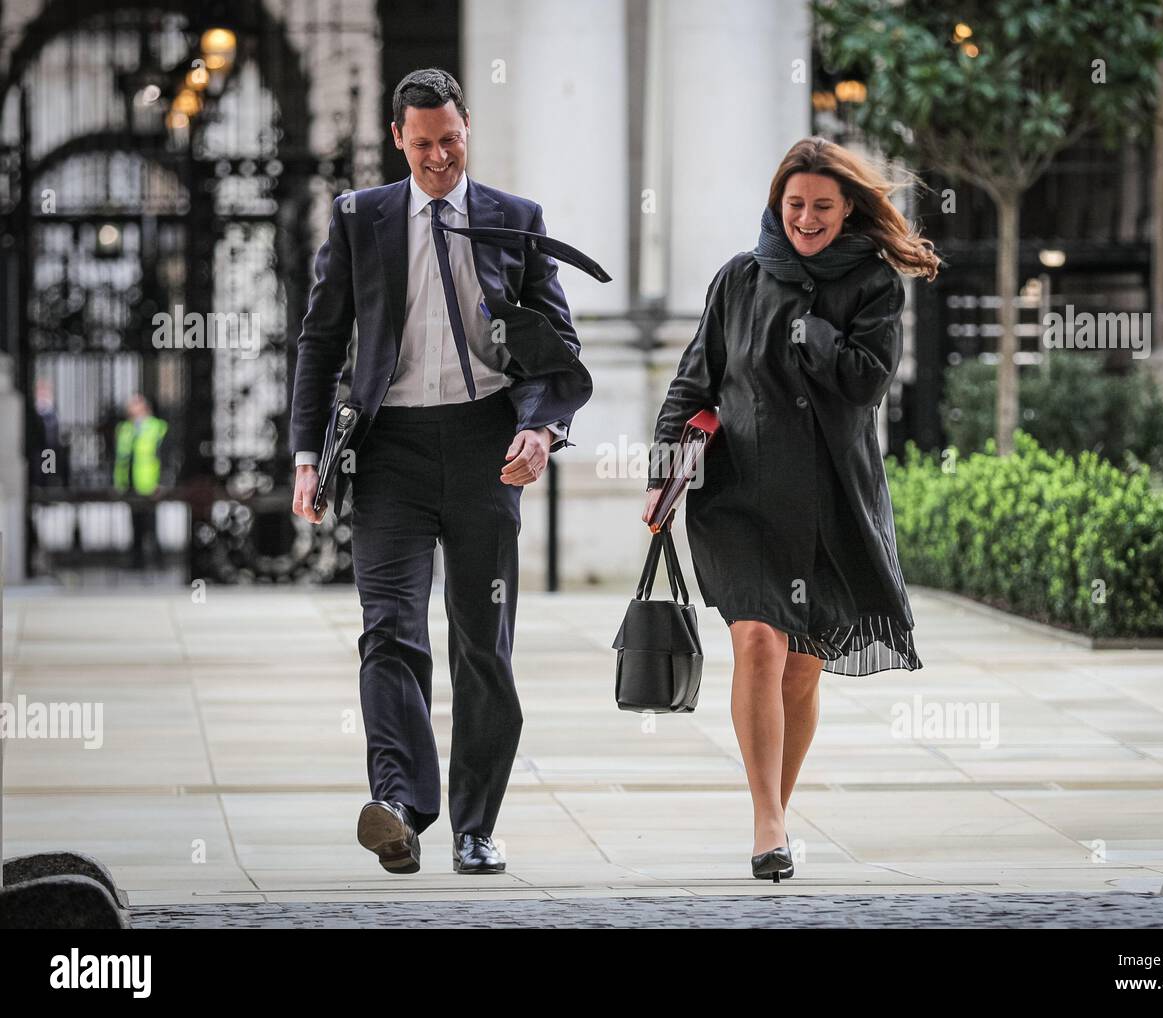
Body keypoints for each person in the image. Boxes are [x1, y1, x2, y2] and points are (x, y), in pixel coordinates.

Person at [289, 68, 593, 875]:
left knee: (480, 642)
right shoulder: (362, 219)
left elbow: (553, 348)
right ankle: (398, 804)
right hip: (387, 450)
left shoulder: (513, 220)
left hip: (486, 445)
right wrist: (307, 455)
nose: (438, 157)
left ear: (470, 128)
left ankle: (474, 826)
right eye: (422, 144)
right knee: (388, 630)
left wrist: (543, 428)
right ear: (398, 140)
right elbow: (321, 343)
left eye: (450, 141)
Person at [643, 137, 940, 881]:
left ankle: (776, 808)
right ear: (778, 204)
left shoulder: (874, 285)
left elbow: (868, 385)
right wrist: (660, 471)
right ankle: (767, 821)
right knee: (758, 644)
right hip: (738, 496)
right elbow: (694, 383)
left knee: (804, 667)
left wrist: (819, 334)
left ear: (849, 211)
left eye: (823, 206)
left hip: (830, 502)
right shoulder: (738, 280)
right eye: (795, 203)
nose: (806, 217)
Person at [113, 393, 168, 571]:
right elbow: (121, 458)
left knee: (151, 525)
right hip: (130, 483)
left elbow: (163, 456)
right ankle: (137, 562)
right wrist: (119, 483)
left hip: (149, 483)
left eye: (134, 405)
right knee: (135, 524)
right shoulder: (125, 429)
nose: (131, 409)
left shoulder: (157, 427)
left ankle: (158, 561)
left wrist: (161, 481)